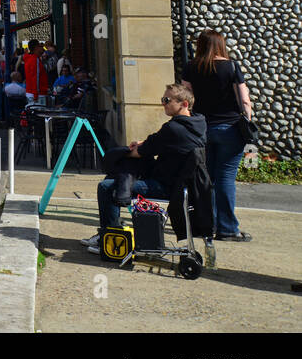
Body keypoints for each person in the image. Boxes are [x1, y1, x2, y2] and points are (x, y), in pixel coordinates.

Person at [87, 84, 207, 252]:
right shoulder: (198, 124)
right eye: (162, 100)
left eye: (167, 100)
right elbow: (157, 142)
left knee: (106, 187)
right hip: (184, 185)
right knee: (120, 178)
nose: (163, 103)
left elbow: (141, 152)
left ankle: (110, 239)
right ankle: (108, 233)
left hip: (166, 186)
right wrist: (143, 144)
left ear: (184, 104)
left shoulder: (173, 128)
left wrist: (124, 153)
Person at [181, 30, 253, 242]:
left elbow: (187, 99)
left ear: (200, 45)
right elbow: (244, 100)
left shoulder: (191, 67)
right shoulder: (231, 66)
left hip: (202, 129)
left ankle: (207, 225)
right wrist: (247, 121)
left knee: (207, 178)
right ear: (221, 45)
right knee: (226, 178)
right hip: (230, 128)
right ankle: (228, 229)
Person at [23, 40, 48, 105]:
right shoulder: (34, 59)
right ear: (36, 47)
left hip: (31, 92)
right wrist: (35, 94)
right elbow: (35, 77)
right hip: (38, 95)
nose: (42, 48)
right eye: (40, 46)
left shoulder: (29, 58)